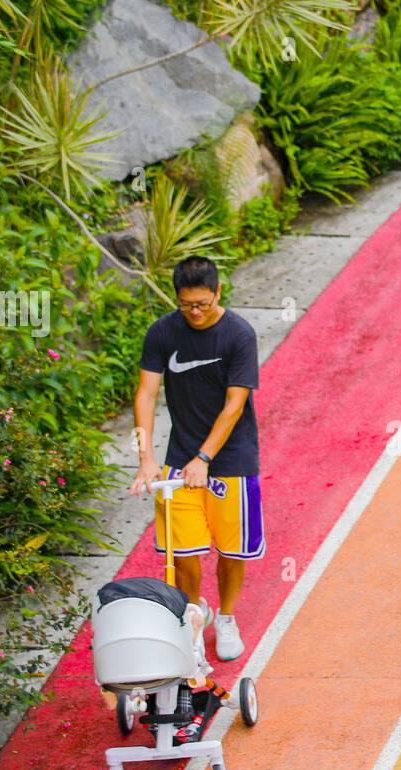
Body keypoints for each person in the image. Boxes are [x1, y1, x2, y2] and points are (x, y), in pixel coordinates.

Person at [130, 256, 265, 740]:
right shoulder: (163, 333)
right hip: (178, 460)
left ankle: (225, 616)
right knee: (182, 554)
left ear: (218, 292)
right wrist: (146, 458)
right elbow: (146, 395)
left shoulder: (238, 335)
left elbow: (235, 403)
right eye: (187, 305)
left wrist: (205, 457)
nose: (195, 312)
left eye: (203, 304)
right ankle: (193, 619)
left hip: (230, 461)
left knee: (232, 551)